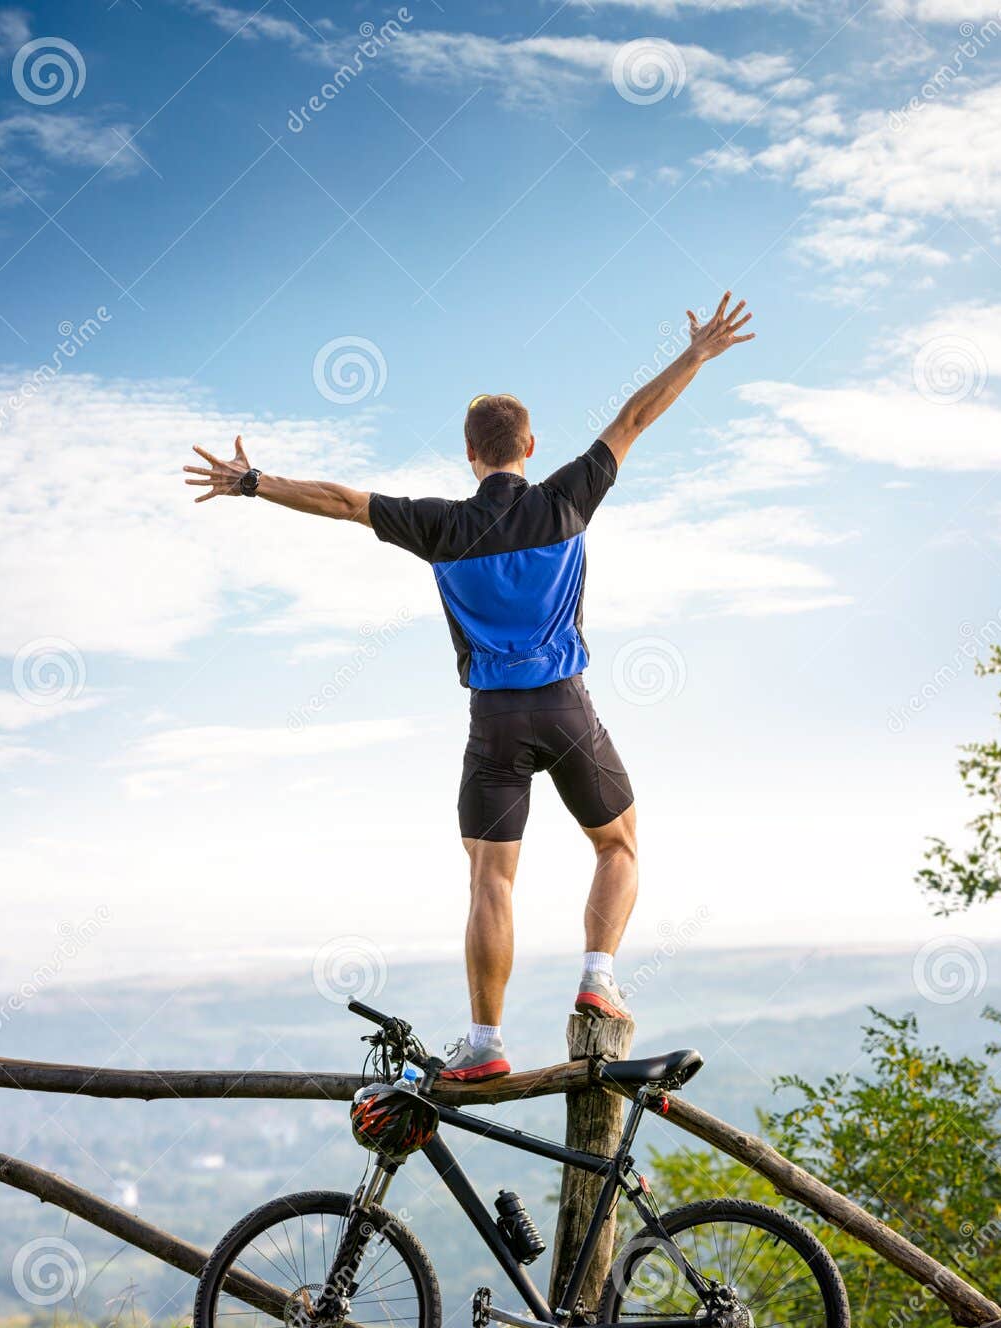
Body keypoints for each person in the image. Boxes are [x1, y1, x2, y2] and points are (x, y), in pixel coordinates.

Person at [185, 293, 753, 1080]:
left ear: (468, 453)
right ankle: (598, 980)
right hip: (567, 709)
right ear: (529, 446)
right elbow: (633, 419)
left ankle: (485, 1045)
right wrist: (695, 355)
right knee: (618, 845)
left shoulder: (441, 526)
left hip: (493, 723)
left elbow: (342, 502)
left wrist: (253, 482)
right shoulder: (565, 499)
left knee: (490, 880)